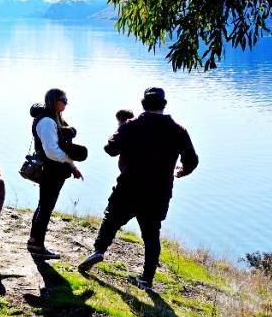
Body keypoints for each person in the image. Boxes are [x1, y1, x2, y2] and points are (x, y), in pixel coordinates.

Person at [78, 87, 200, 290]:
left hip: (128, 186)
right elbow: (192, 160)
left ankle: (99, 250)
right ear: (164, 104)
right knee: (152, 235)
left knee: (111, 219)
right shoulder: (178, 130)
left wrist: (119, 132)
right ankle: (146, 279)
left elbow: (110, 149)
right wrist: (180, 171)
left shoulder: (130, 126)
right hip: (158, 191)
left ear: (143, 104)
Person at [27, 88, 83, 259]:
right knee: (46, 207)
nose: (66, 103)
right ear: (53, 101)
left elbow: (61, 147)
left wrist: (72, 166)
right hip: (51, 171)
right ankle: (37, 245)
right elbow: (51, 151)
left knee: (44, 205)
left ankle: (34, 241)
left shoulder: (54, 118)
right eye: (63, 100)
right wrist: (69, 159)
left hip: (56, 170)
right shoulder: (46, 122)